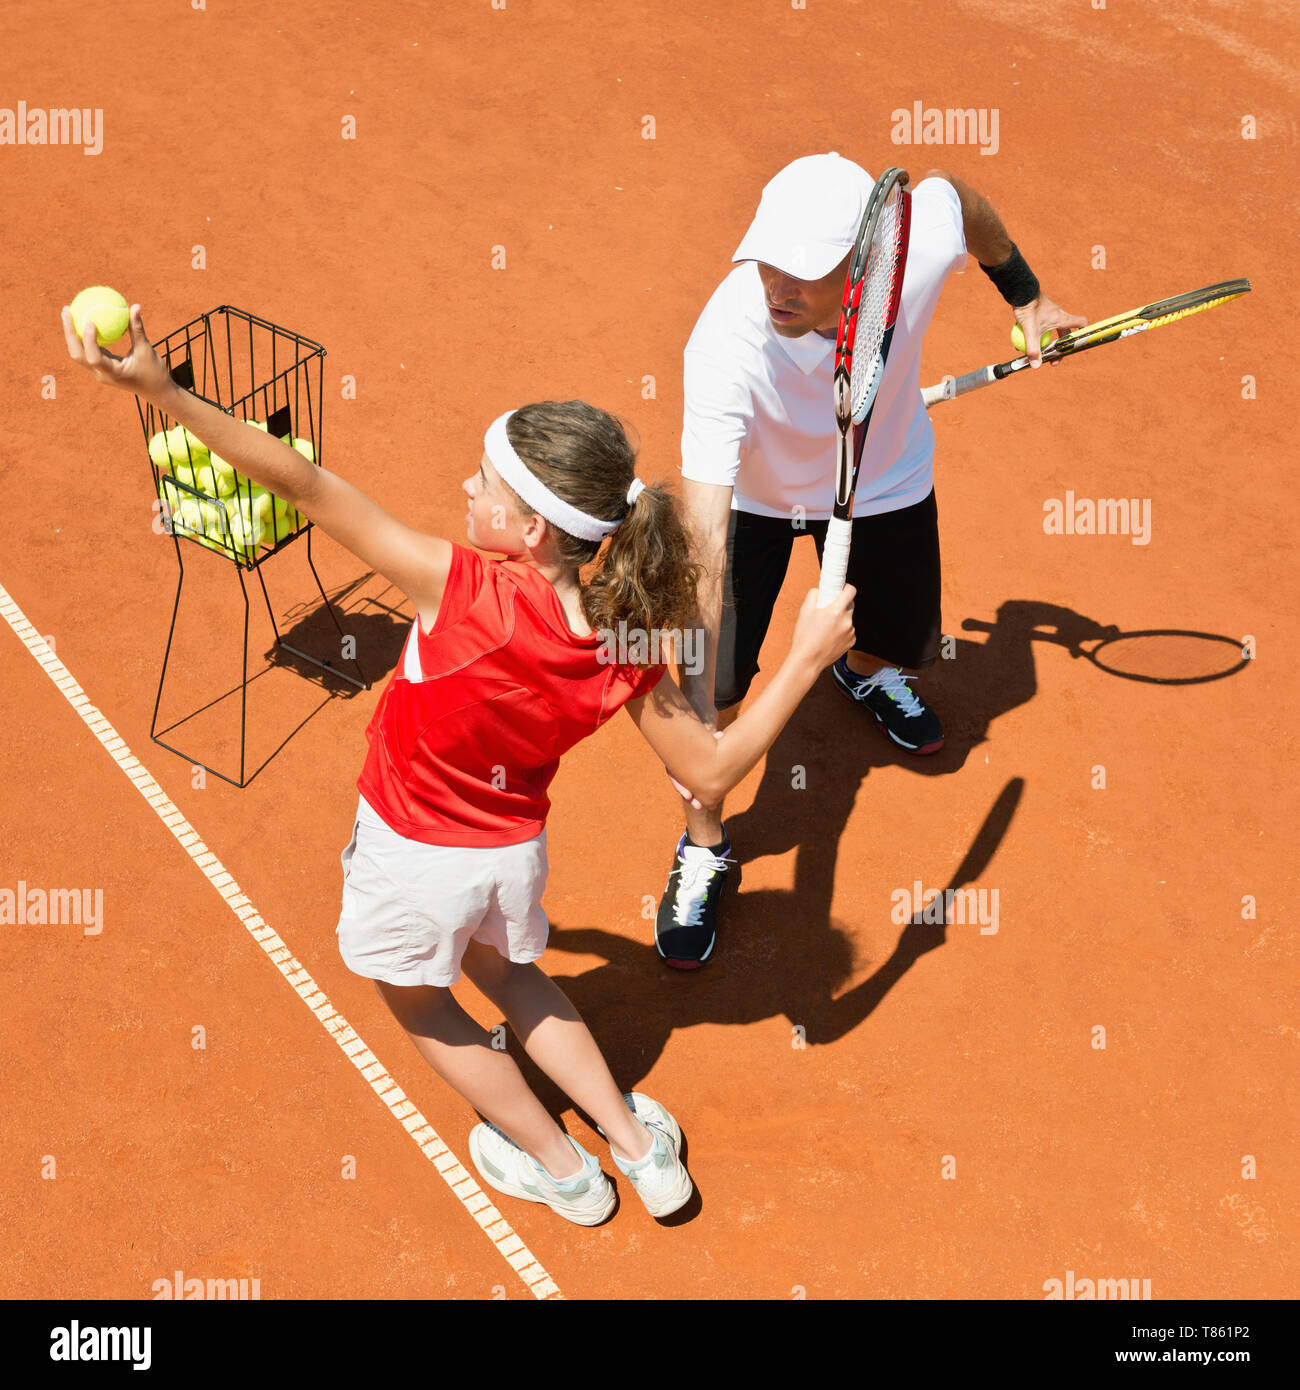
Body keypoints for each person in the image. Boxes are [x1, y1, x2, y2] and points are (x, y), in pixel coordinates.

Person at [62, 303, 857, 1225]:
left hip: (411, 857)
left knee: (421, 1004)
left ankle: (562, 1168)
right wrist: (802, 659)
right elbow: (711, 771)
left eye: (484, 484)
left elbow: (300, 480)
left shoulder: (456, 586)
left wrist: (162, 394)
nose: (464, 486)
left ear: (529, 531)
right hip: (509, 860)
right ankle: (642, 1152)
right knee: (517, 977)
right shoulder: (625, 638)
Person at [655, 152, 1087, 969]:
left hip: (883, 477)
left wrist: (1025, 294)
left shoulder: (914, 246)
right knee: (709, 682)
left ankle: (860, 669)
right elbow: (705, 531)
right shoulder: (724, 344)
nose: (777, 287)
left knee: (892, 632)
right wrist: (701, 650)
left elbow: (958, 198)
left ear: (864, 263)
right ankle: (704, 843)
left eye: (804, 275)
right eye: (767, 262)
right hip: (756, 496)